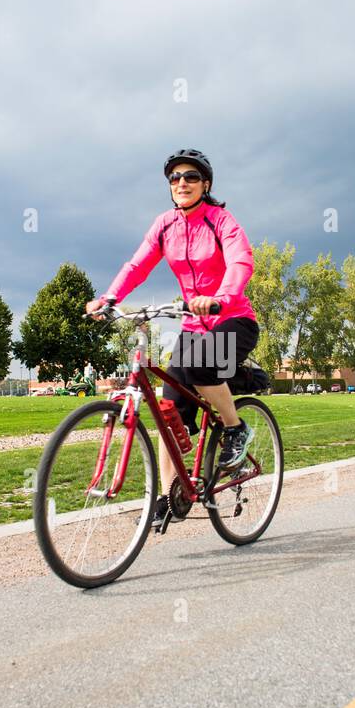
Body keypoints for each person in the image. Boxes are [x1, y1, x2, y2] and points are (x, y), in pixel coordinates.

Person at [85, 148, 259, 530]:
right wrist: (110, 298)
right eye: (175, 178)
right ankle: (168, 498)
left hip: (233, 319)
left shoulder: (221, 220)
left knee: (200, 365)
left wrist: (220, 297)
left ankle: (235, 428)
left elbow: (240, 260)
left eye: (191, 177)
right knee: (169, 414)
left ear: (205, 184)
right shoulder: (165, 225)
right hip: (193, 326)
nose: (182, 183)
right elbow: (138, 264)